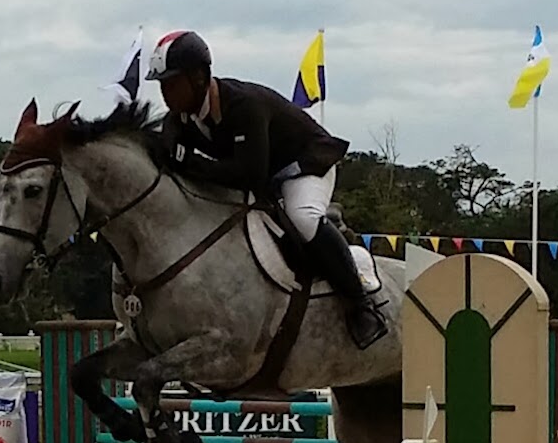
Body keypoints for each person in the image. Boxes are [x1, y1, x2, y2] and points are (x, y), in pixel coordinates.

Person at [145, 29, 387, 348]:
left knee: (302, 218)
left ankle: (361, 305)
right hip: (267, 174)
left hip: (305, 163)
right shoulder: (179, 120)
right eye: (162, 84)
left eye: (172, 83)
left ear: (199, 78)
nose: (165, 93)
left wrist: (189, 162)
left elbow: (249, 175)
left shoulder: (243, 106)